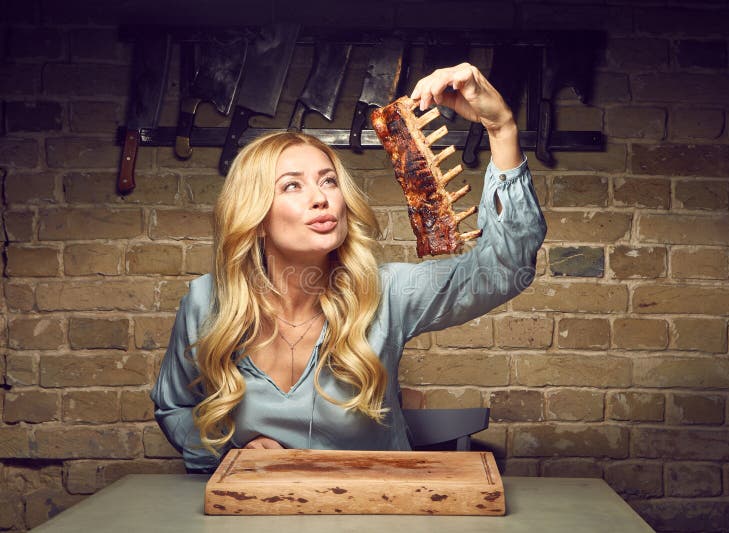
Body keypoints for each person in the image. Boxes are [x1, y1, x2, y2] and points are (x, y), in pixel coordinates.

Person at [150, 63, 547, 473]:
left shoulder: (387, 292)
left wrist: (501, 128)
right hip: (257, 512)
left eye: (328, 181)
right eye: (292, 185)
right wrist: (226, 451)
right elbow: (175, 407)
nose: (320, 198)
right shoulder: (206, 302)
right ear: (255, 216)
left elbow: (506, 266)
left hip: (374, 509)